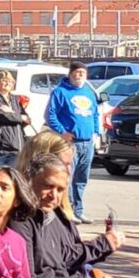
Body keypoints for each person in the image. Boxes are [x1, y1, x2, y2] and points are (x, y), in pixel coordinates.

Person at [45, 61, 99, 222]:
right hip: (70, 144)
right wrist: (63, 132)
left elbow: (95, 114)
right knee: (67, 177)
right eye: (76, 72)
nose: (79, 75)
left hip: (87, 142)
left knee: (82, 179)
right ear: (70, 74)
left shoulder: (89, 92)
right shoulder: (60, 92)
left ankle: (78, 210)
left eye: (82, 72)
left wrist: (96, 133)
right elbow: (50, 115)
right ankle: (65, 211)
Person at [0, 70, 30, 167]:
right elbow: (1, 115)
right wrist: (18, 117)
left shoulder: (15, 99)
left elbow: (26, 119)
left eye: (11, 81)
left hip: (16, 147)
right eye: (4, 80)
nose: (8, 83)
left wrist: (12, 113)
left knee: (13, 178)